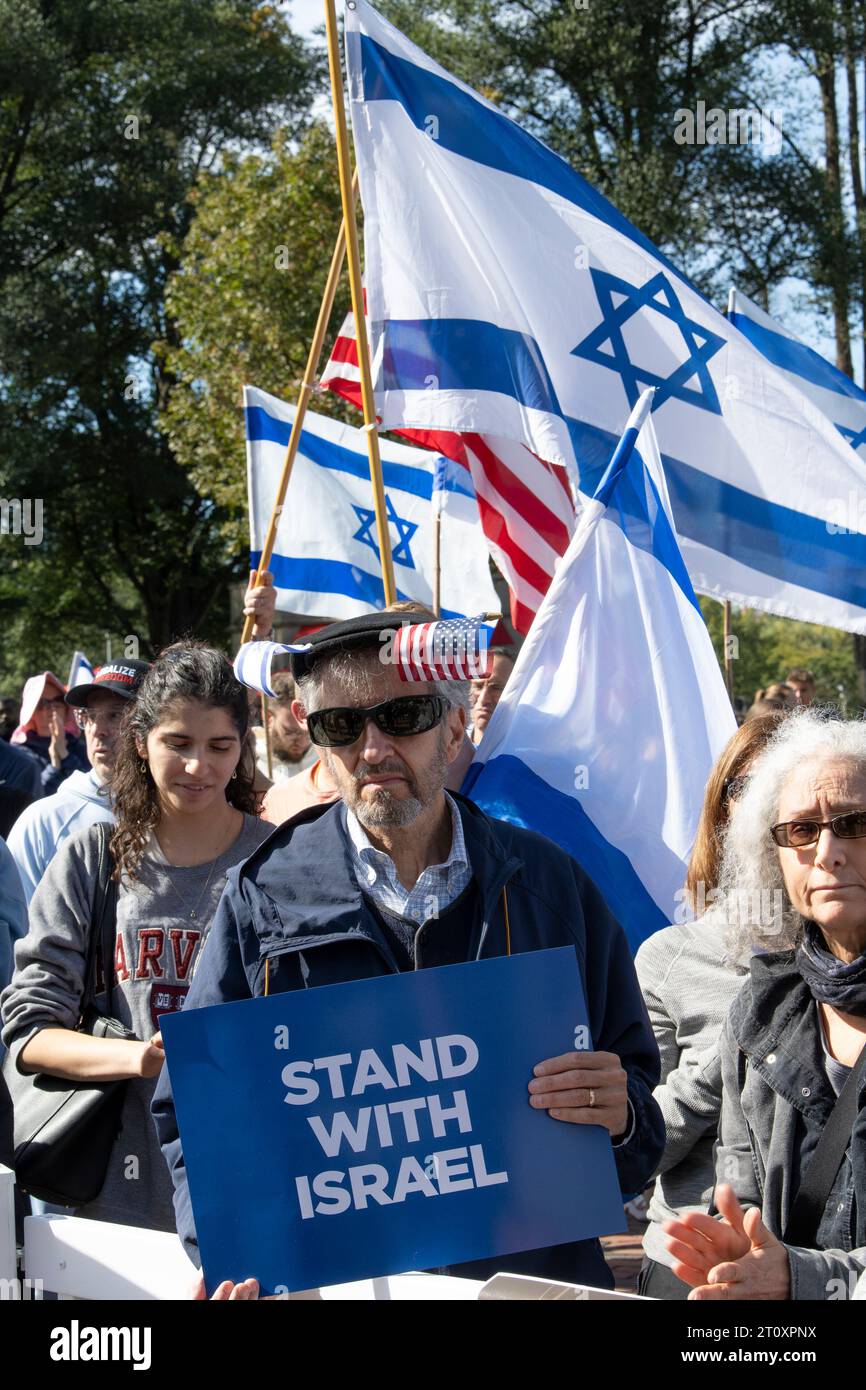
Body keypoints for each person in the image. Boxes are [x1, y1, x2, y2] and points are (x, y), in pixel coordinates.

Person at [153, 609, 665, 1294]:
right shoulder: (261, 896)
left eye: (404, 716)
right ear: (315, 741)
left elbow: (636, 1118)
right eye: (342, 725)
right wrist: (227, 1249)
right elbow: (196, 1117)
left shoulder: (549, 886)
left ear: (455, 726)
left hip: (523, 1285)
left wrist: (621, 1115)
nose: (372, 749)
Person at [1, 643, 272, 1233]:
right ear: (141, 741)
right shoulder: (92, 862)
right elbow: (28, 1034)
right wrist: (141, 1059)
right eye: (178, 744)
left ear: (241, 749)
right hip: (108, 1213)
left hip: (251, 1198)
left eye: (219, 746)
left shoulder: (280, 863)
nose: (198, 766)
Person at [664, 710, 866, 1299]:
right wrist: (739, 1264)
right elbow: (744, 1198)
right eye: (800, 830)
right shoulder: (762, 1008)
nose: (826, 852)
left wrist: (802, 1280)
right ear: (772, 856)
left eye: (854, 823)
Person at [635, 712, 784, 1299]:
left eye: (782, 787)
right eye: (742, 789)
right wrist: (731, 1053)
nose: (761, 810)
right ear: (719, 814)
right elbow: (636, 1152)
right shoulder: (671, 957)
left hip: (822, 1263)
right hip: (688, 1260)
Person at [7, 661, 150, 905]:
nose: (97, 730)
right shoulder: (44, 821)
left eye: (115, 715)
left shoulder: (186, 813)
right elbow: (20, 931)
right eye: (90, 716)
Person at [10, 672, 90, 795]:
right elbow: (33, 798)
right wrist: (55, 764)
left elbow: (91, 790)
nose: (52, 708)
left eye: (58, 700)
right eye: (41, 703)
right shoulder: (19, 754)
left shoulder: (83, 748)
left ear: (66, 708)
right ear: (30, 712)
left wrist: (64, 754)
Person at [251, 669, 316, 784]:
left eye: (308, 732)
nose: (302, 742)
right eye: (290, 732)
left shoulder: (322, 758)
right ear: (268, 717)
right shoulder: (249, 761)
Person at [469, 650, 515, 744]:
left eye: (496, 688)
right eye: (478, 686)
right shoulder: (449, 743)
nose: (483, 699)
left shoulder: (526, 753)